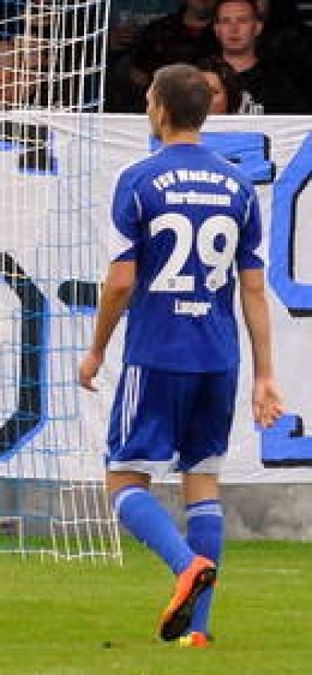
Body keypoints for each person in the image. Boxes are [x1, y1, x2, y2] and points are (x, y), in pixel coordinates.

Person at [78, 63, 283, 647]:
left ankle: (184, 566)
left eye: (148, 97)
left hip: (157, 352)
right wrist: (265, 374)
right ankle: (200, 631)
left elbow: (121, 283)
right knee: (203, 483)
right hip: (218, 357)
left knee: (123, 482)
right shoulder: (239, 186)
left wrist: (96, 350)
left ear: (161, 108)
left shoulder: (139, 179)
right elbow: (251, 287)